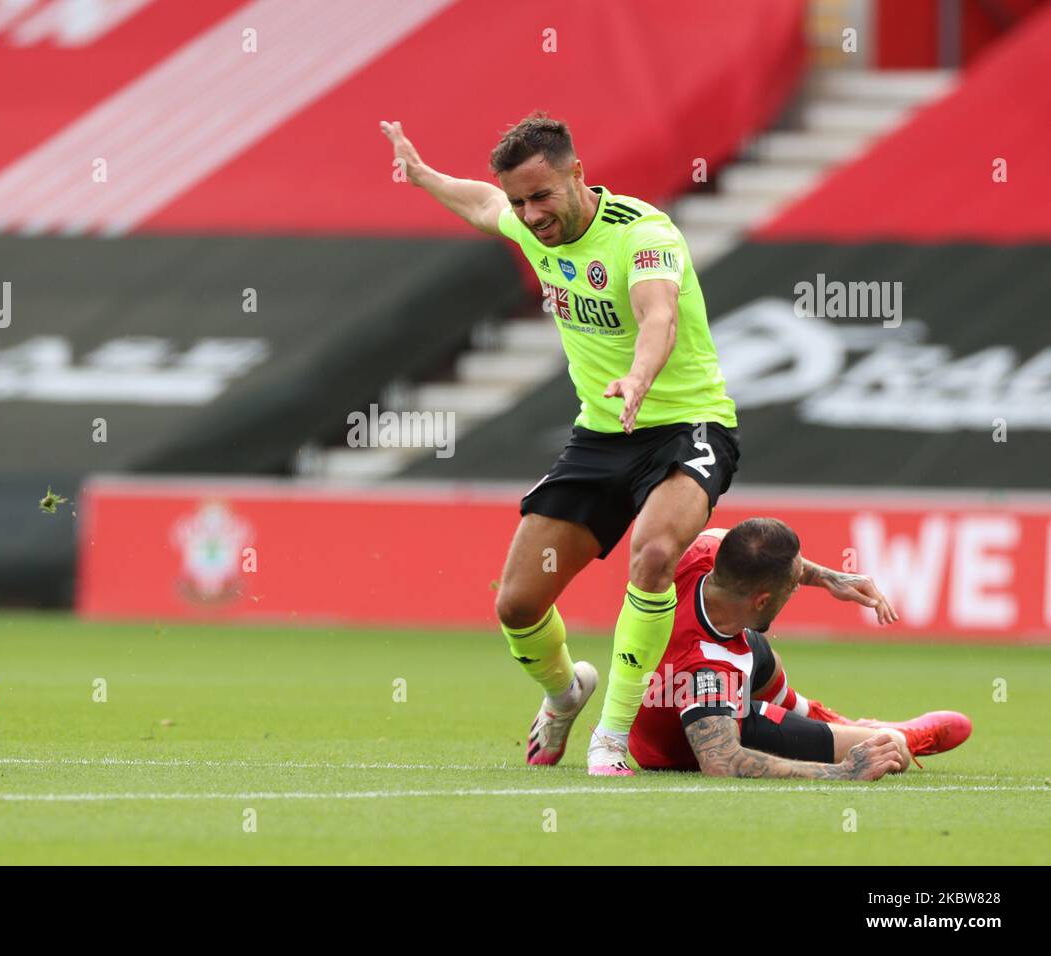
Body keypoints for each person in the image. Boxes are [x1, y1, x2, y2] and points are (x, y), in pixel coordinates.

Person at [381, 112, 741, 775]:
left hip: (689, 426)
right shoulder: (523, 218)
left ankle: (612, 735)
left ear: (578, 174)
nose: (531, 213)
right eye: (522, 200)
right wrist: (424, 176)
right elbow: (485, 205)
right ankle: (565, 693)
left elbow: (658, 313)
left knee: (656, 551)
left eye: (541, 195)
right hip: (602, 436)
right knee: (517, 603)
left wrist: (638, 375)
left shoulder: (643, 234)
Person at [629, 518, 971, 778]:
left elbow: (748, 551)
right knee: (888, 749)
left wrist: (828, 578)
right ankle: (898, 735)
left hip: (668, 686)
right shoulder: (709, 669)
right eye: (792, 587)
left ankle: (845, 722)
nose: (794, 591)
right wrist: (843, 771)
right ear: (762, 598)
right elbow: (721, 760)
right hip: (677, 746)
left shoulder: (703, 553)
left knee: (759, 650)